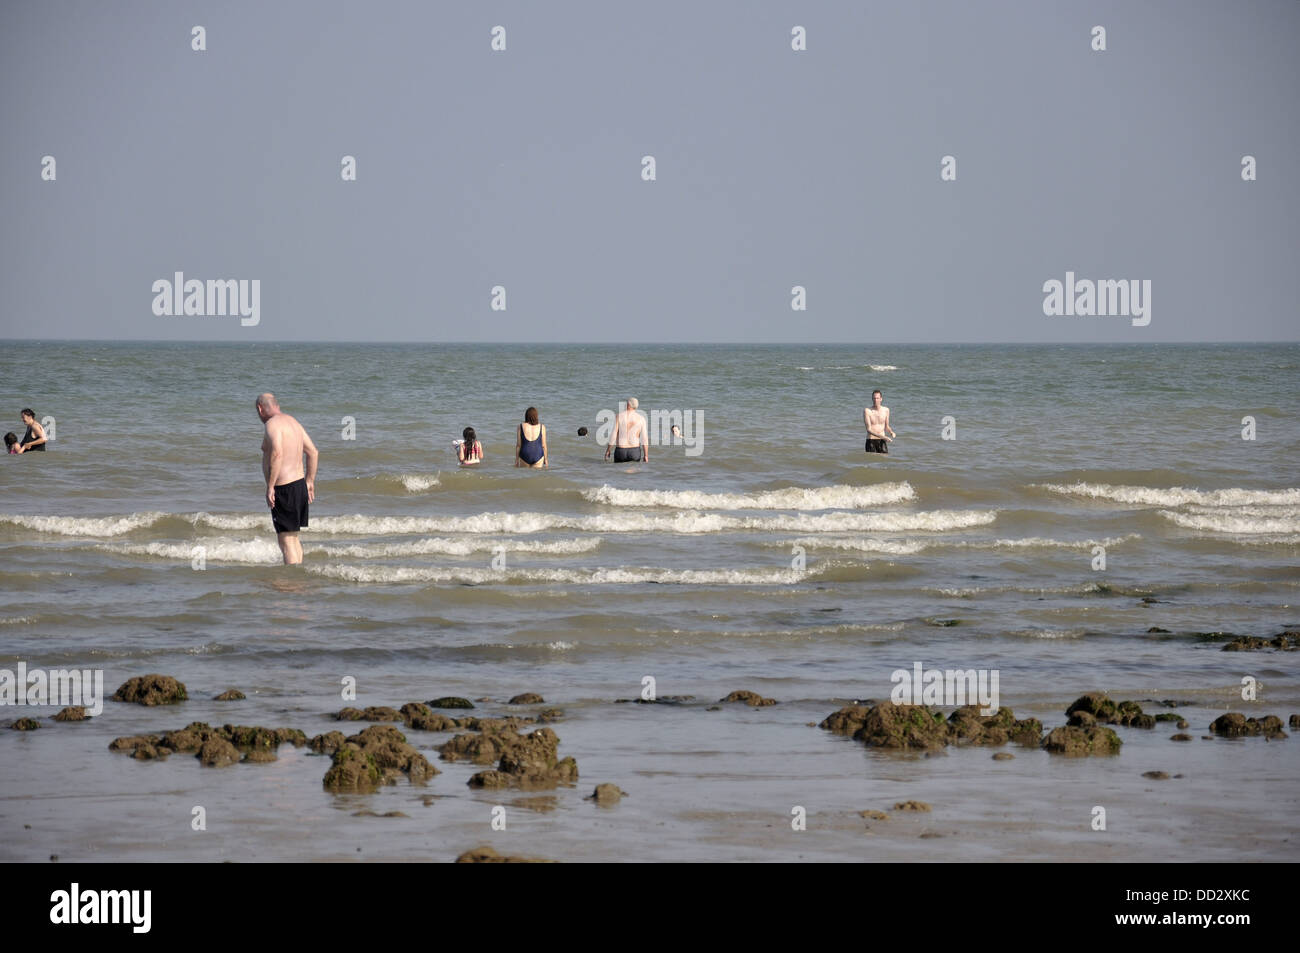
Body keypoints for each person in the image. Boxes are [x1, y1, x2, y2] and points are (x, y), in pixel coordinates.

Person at [256, 392, 319, 565]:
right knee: (293, 538)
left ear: (260, 409)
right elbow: (313, 452)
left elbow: (277, 453)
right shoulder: (293, 422)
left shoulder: (272, 425)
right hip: (299, 486)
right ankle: (297, 579)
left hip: (284, 488)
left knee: (285, 541)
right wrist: (309, 481)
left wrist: (270, 486)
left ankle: (291, 583)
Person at [605, 397, 649, 463]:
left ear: (628, 405)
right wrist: (646, 455)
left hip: (621, 451)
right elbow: (644, 438)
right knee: (634, 472)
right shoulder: (641, 419)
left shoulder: (619, 416)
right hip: (635, 451)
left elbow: (614, 435)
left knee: (618, 472)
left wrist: (608, 450)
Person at [864, 389, 896, 453]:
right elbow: (869, 429)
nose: (876, 400)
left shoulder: (886, 410)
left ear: (881, 399)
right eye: (874, 398)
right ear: (872, 399)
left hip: (882, 440)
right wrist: (884, 437)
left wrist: (891, 432)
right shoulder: (867, 411)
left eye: (877, 398)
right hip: (871, 440)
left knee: (884, 460)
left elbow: (887, 426)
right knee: (872, 461)